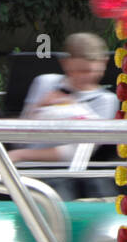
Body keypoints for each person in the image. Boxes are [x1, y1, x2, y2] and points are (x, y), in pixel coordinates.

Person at [7, 33, 118, 166]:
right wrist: (38, 106)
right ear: (65, 63)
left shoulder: (106, 100)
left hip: (64, 172)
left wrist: (19, 155)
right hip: (23, 165)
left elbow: (78, 152)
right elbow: (20, 136)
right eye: (76, 71)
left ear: (104, 63)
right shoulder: (45, 82)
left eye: (89, 71)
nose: (83, 77)